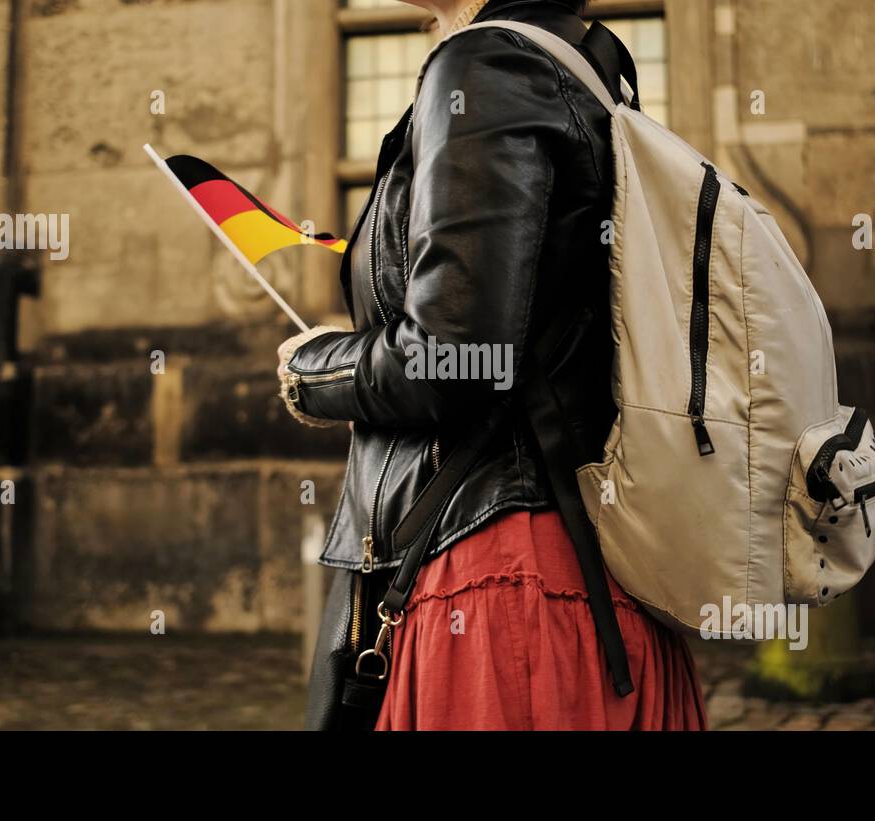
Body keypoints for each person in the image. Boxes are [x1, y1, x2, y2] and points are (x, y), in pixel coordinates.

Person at [278, 0, 705, 731]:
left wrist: (311, 372)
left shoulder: (485, 66)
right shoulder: (574, 65)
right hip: (575, 580)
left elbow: (452, 359)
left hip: (505, 602)